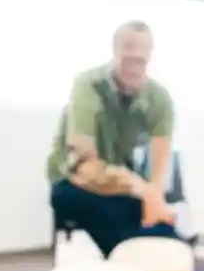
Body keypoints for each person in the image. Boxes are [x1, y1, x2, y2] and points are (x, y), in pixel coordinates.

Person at [46, 20, 178, 257]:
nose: (135, 60)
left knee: (164, 231)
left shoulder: (159, 98)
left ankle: (157, 253)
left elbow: (158, 173)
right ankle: (129, 256)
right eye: (129, 50)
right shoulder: (87, 85)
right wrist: (143, 190)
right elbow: (86, 166)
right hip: (76, 180)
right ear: (116, 50)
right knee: (107, 221)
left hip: (120, 181)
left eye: (142, 55)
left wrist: (154, 202)